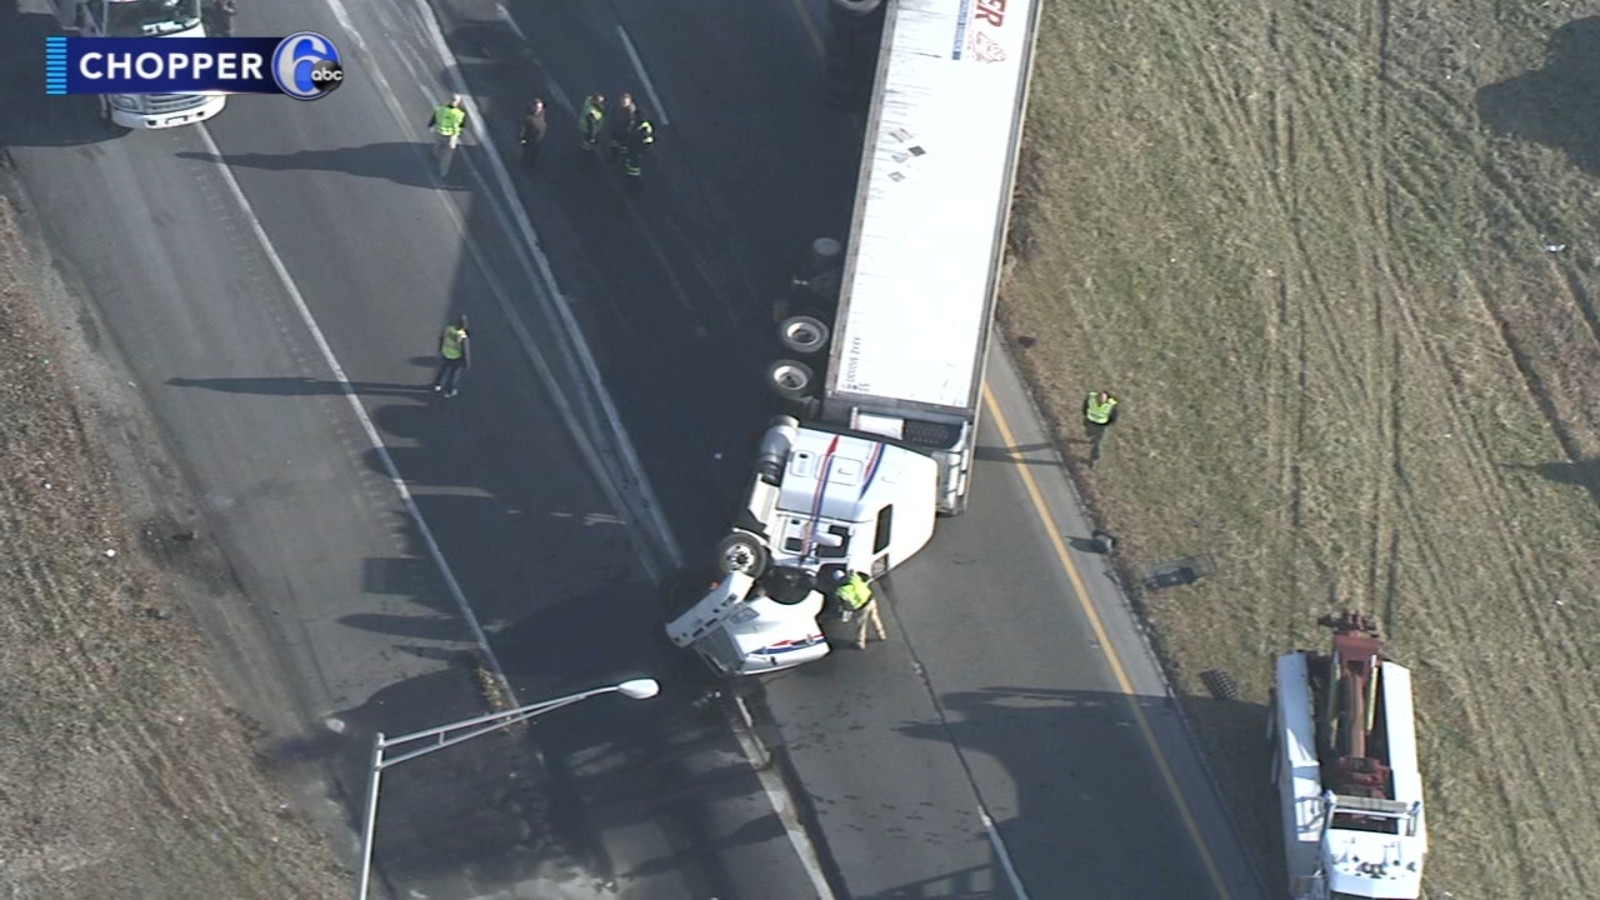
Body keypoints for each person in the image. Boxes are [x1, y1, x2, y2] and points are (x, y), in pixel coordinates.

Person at [832, 570, 885, 650]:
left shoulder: (841, 591)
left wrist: (847, 610)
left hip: (861, 608)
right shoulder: (854, 578)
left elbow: (845, 604)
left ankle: (861, 642)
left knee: (861, 625)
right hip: (870, 600)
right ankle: (881, 634)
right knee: (874, 617)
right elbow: (865, 577)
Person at [430, 316, 471, 398]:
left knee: (442, 370)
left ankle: (437, 385)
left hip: (446, 353)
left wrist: (440, 349)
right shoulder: (462, 335)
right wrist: (467, 363)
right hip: (456, 357)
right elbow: (465, 350)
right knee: (453, 375)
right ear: (464, 325)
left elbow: (441, 339)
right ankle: (449, 390)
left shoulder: (448, 329)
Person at [427, 95, 468, 173]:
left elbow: (433, 120)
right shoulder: (459, 114)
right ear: (458, 102)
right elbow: (460, 126)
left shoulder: (441, 109)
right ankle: (442, 172)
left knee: (437, 146)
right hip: (450, 136)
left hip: (439, 132)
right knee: (447, 156)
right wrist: (455, 138)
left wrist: (430, 127)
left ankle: (434, 157)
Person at [1083, 390, 1119, 466]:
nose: (1100, 400)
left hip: (1101, 426)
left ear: (1106, 399)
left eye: (1102, 398)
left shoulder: (1111, 406)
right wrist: (1086, 416)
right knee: (1088, 434)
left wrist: (1106, 424)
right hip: (1090, 422)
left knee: (1098, 444)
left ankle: (1093, 460)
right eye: (1099, 398)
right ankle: (1092, 438)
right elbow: (1085, 407)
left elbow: (1114, 417)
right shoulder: (1091, 399)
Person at [621, 112, 655, 186]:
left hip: (637, 150)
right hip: (633, 148)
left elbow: (648, 141)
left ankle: (634, 184)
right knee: (630, 165)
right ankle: (631, 180)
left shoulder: (645, 128)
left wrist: (642, 151)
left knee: (634, 168)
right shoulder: (637, 124)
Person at [519, 99, 547, 171]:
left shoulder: (541, 115)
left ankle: (532, 165)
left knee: (535, 153)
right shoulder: (527, 118)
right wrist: (523, 141)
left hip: (537, 140)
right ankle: (524, 167)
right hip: (528, 140)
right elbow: (522, 130)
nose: (538, 109)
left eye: (540, 108)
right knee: (527, 153)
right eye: (537, 107)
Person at [608, 92, 637, 157]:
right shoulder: (617, 106)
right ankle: (614, 154)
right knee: (614, 142)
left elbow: (632, 121)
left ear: (629, 102)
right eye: (622, 101)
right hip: (616, 128)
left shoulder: (631, 110)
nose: (623, 103)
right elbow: (613, 114)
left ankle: (622, 157)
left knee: (624, 145)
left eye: (625, 102)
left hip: (625, 130)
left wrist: (629, 129)